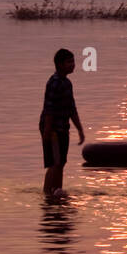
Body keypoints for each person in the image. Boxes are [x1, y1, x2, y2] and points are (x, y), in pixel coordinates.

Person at [39, 48, 85, 196]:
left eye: (73, 62)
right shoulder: (54, 83)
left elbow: (71, 108)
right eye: (69, 62)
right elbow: (49, 109)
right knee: (54, 162)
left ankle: (57, 191)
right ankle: (48, 193)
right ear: (59, 64)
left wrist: (79, 129)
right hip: (51, 128)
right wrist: (47, 131)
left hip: (63, 128)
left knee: (61, 163)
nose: (73, 65)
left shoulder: (67, 83)